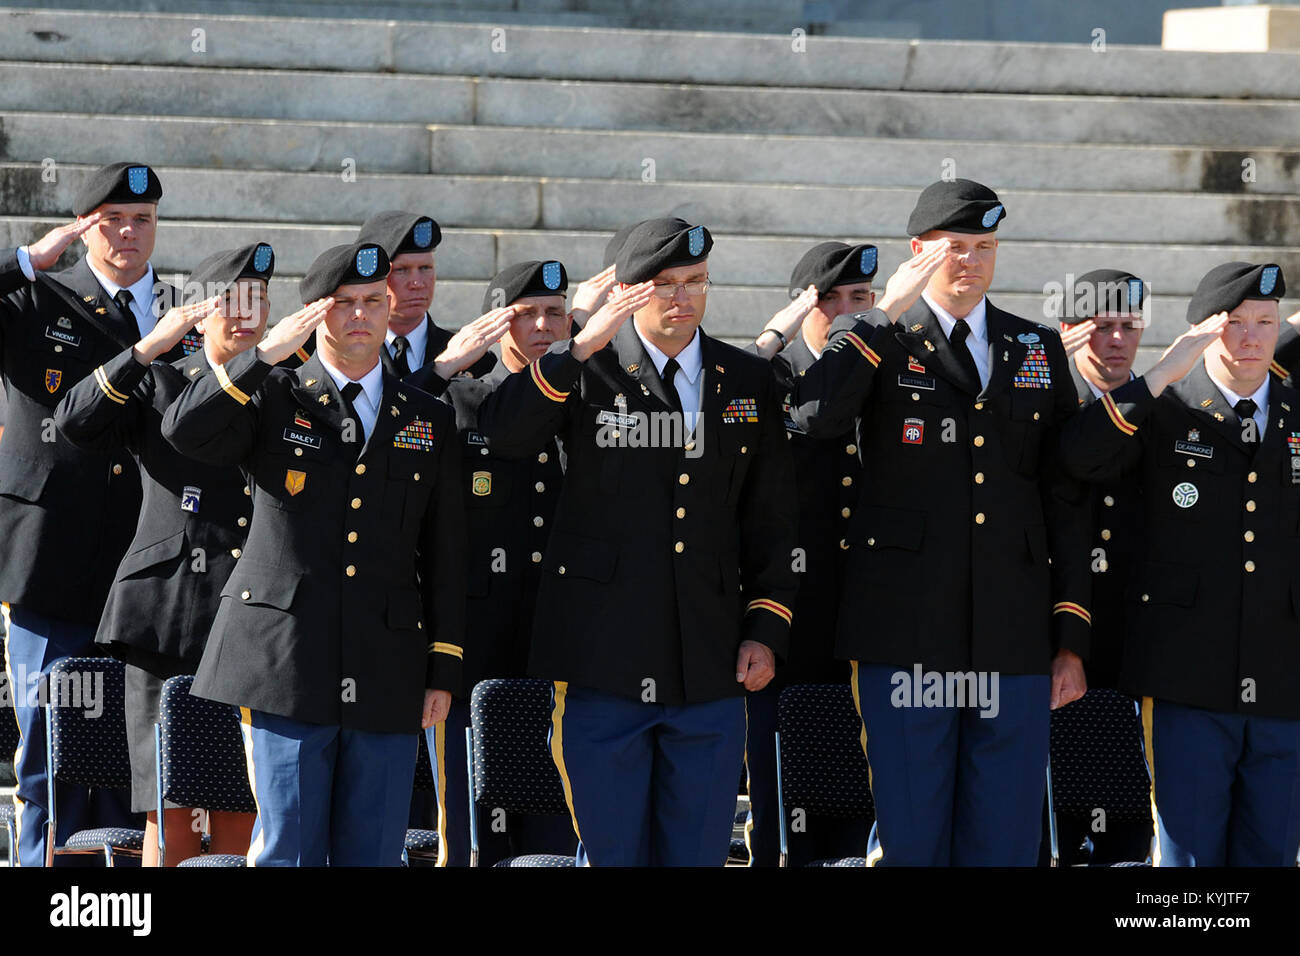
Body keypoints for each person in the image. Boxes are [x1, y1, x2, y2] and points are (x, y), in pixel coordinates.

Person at [476, 217, 798, 866]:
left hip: (708, 661)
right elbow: (505, 436)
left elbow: (772, 521)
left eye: (695, 283)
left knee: (698, 853)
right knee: (612, 852)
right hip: (603, 666)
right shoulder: (585, 374)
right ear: (627, 291)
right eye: (664, 285)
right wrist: (575, 346)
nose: (682, 298)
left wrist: (766, 626)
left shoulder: (744, 380)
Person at [788, 179, 1092, 866]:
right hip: (905, 633)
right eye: (955, 247)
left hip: (1011, 634)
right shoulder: (878, 335)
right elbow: (812, 419)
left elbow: (1061, 499)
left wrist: (1069, 633)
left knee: (1006, 840)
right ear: (919, 251)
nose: (972, 261)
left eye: (985, 246)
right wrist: (881, 310)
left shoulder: (1035, 346)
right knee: (915, 834)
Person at [161, 241, 467, 866]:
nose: (360, 316)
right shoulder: (273, 395)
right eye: (344, 303)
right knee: (289, 850)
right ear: (314, 314)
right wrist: (260, 358)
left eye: (373, 303)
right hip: (285, 660)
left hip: (386, 663)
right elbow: (184, 431)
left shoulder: (428, 416)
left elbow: (445, 550)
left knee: (373, 851)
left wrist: (442, 666)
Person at [1061, 261, 1300, 866]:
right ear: (1204, 330)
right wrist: (1162, 373)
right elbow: (1082, 459)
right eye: (1236, 324)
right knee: (1189, 854)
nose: (1251, 339)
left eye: (1265, 323)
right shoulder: (1164, 407)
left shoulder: (1298, 414)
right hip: (1186, 675)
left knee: (1272, 847)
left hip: (1284, 674)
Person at [54, 244, 281, 865]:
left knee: (241, 808)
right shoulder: (160, 381)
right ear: (197, 312)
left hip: (254, 619)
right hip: (167, 613)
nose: (245, 314)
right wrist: (147, 348)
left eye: (257, 299)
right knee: (171, 809)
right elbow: (75, 424)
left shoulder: (282, 382)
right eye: (229, 301)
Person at [0, 161, 179, 866]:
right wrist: (25, 261)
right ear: (83, 229)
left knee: (137, 747)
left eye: (143, 220)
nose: (130, 233)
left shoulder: (177, 310)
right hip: (51, 557)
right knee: (51, 741)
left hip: (146, 561)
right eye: (112, 220)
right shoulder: (37, 299)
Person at [425, 260, 579, 866]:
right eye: (526, 315)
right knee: (469, 829)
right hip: (476, 634)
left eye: (556, 313)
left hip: (557, 630)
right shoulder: (464, 397)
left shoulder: (582, 395)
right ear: (498, 322)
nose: (543, 326)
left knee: (555, 822)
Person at [744, 241, 878, 866]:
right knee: (780, 797)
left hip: (865, 614)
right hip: (790, 613)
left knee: (864, 785)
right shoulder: (775, 375)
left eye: (862, 298)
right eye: (833, 300)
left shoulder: (880, 367)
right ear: (802, 307)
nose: (850, 312)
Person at [1046, 269, 1154, 865]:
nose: (1115, 341)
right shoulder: (1042, 406)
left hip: (1139, 630)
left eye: (1128, 326)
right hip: (1062, 623)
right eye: (1100, 327)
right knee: (1061, 811)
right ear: (1066, 331)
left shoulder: (1161, 406)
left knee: (1132, 817)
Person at [355, 210, 497, 382]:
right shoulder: (346, 353)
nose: (417, 283)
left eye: (425, 268)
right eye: (401, 270)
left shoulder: (472, 358)